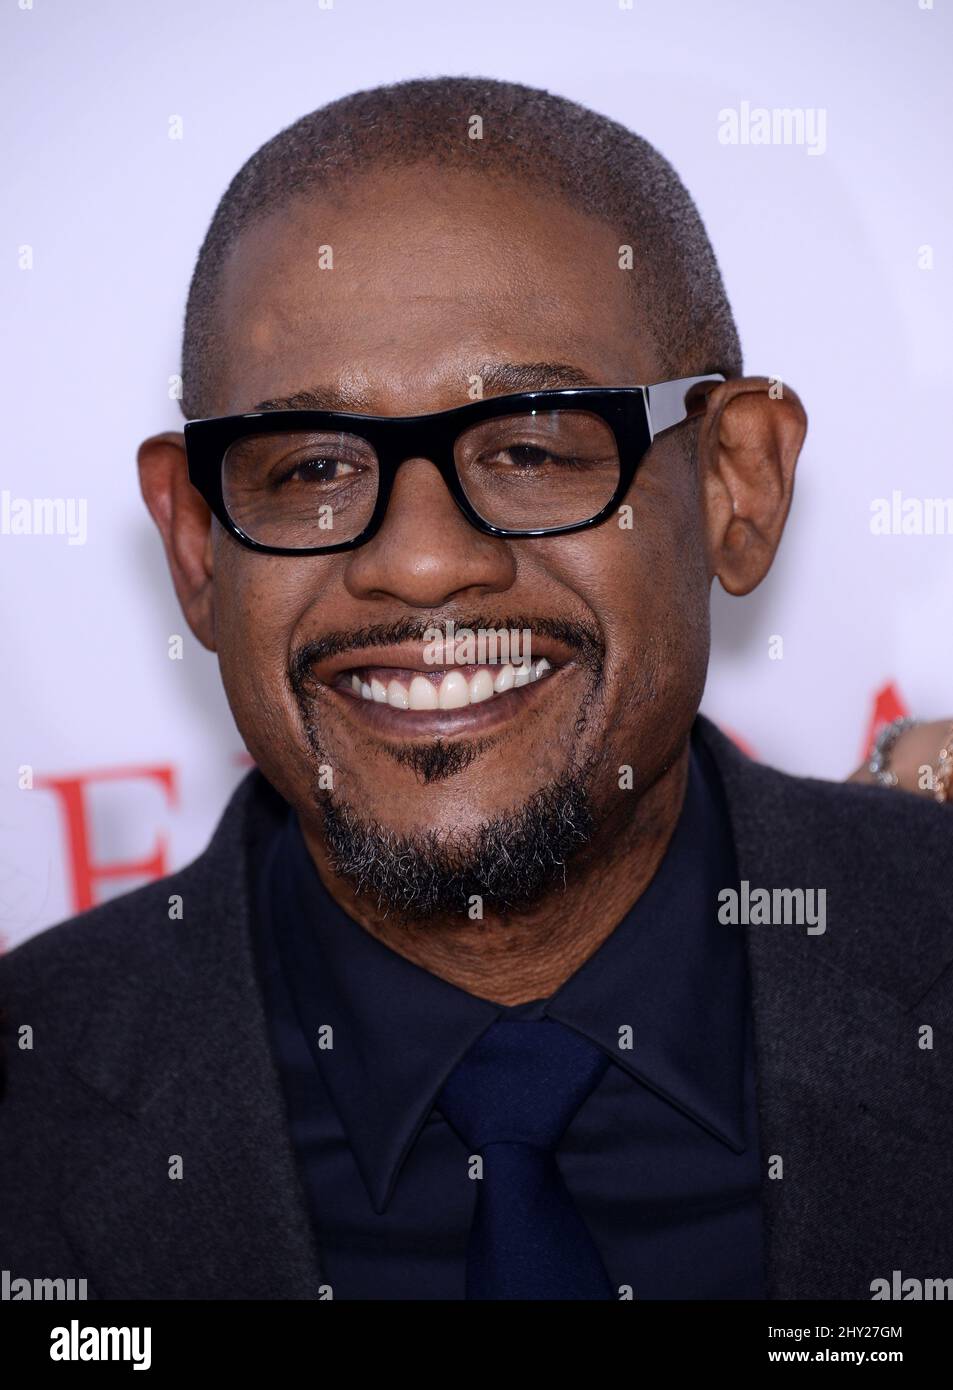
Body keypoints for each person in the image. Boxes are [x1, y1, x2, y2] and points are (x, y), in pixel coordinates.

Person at [1, 76, 951, 1303]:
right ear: (195, 545)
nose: (418, 562)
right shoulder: (34, 1094)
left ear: (736, 484)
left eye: (530, 448)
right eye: (313, 469)